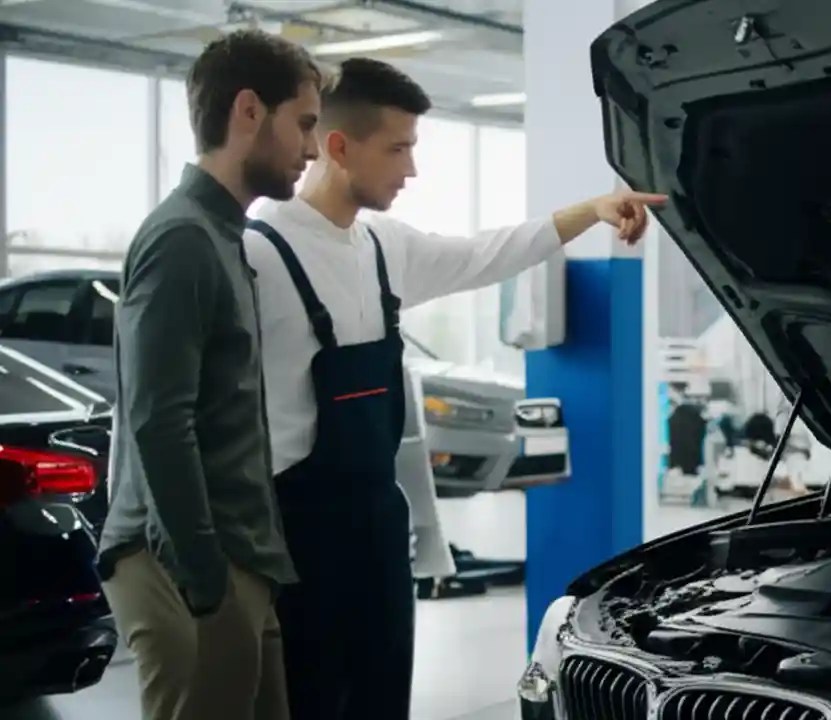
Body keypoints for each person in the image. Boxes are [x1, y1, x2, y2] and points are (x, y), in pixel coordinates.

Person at [241, 57, 666, 719]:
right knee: (309, 700)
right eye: (399, 148)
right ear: (338, 147)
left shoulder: (384, 246)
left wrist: (591, 210)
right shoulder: (258, 255)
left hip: (378, 523)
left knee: (382, 697)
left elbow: (484, 253)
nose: (411, 169)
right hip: (295, 535)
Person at [97, 30, 321, 720]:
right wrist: (205, 581)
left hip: (237, 563)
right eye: (305, 124)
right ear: (249, 110)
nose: (312, 149)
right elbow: (158, 420)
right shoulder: (183, 239)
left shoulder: (222, 237)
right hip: (191, 568)